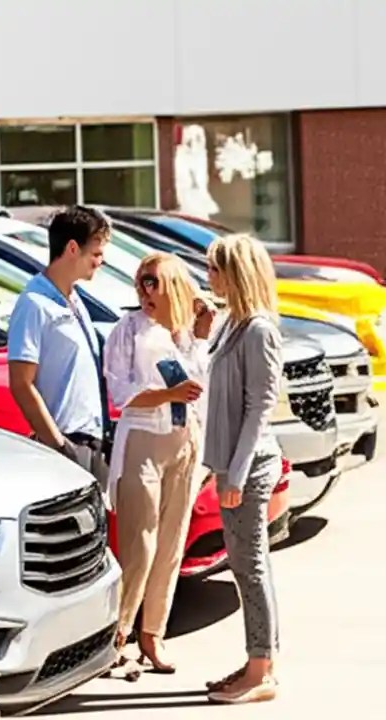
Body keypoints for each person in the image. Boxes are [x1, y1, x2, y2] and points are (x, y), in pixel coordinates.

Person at [102, 253, 215, 672]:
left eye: (154, 282)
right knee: (140, 544)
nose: (145, 291)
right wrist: (168, 394)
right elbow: (120, 395)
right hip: (143, 440)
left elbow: (205, 385)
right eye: (141, 282)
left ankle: (153, 635)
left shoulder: (188, 333)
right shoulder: (128, 331)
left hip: (186, 441)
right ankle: (118, 633)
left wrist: (202, 335)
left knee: (171, 542)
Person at [201, 233, 284, 704]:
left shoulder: (257, 329)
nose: (208, 275)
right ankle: (258, 660)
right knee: (246, 566)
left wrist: (235, 472)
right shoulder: (230, 324)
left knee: (249, 567)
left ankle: (261, 673)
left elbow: (260, 406)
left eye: (215, 268)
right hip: (231, 463)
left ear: (235, 273)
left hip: (249, 467)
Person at [7, 205, 111, 482]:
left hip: (93, 442)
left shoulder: (75, 299)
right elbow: (21, 383)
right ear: (73, 248)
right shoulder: (34, 305)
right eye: (96, 254)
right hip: (67, 444)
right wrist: (58, 445)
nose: (100, 262)